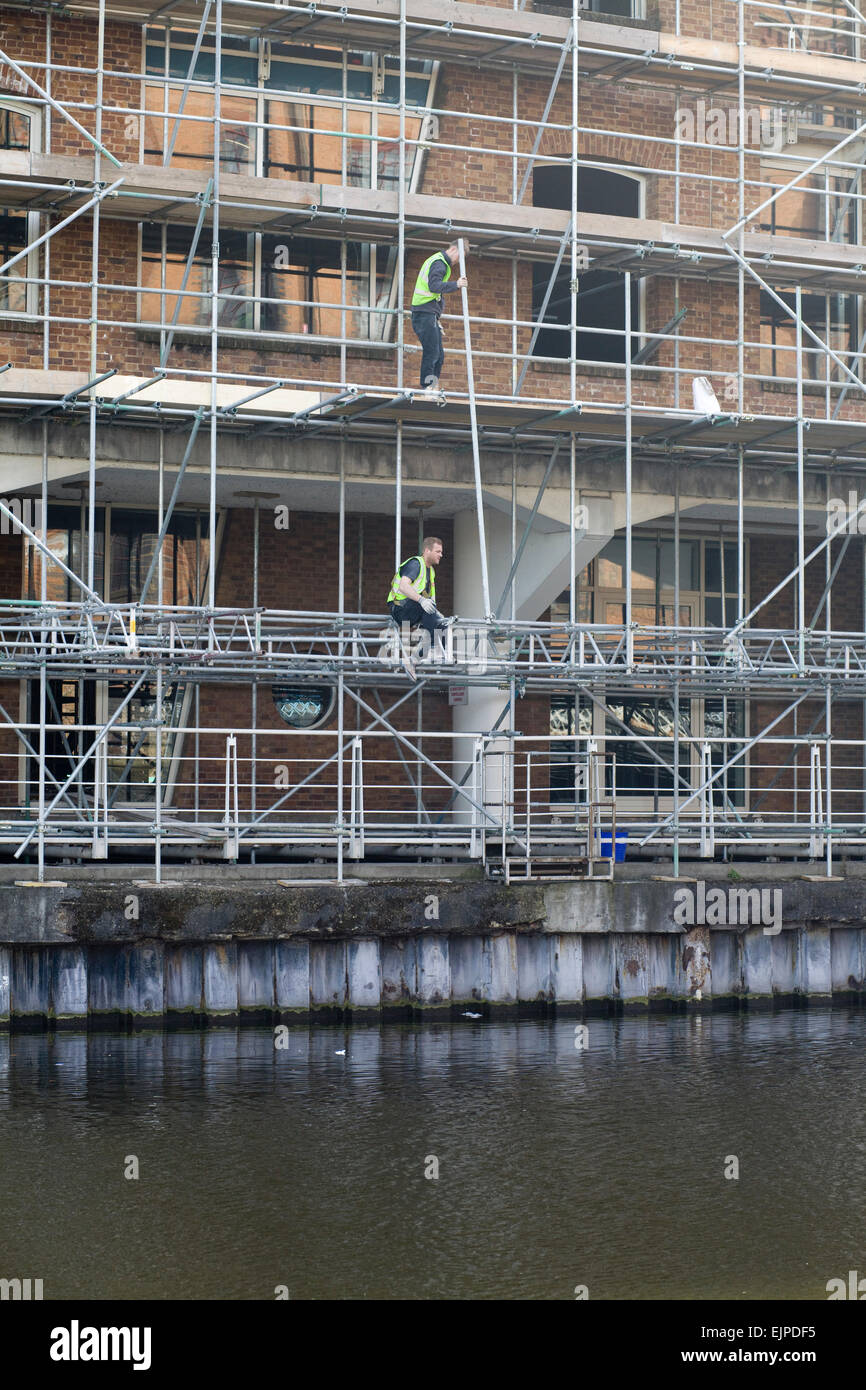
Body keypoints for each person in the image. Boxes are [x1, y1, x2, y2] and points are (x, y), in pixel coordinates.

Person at [410, 243, 468, 393]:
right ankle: (427, 386)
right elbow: (434, 286)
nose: (458, 261)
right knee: (432, 352)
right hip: (424, 313)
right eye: (459, 257)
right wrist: (456, 284)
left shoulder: (439, 262)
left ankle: (432, 386)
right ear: (454, 249)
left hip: (429, 313)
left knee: (439, 355)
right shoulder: (439, 263)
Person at [387, 535, 455, 636]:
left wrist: (437, 614)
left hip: (413, 608)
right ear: (427, 550)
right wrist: (422, 601)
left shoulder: (431, 571)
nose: (441, 555)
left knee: (443, 626)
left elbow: (429, 598)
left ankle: (428, 651)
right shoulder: (416, 564)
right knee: (430, 613)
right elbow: (403, 586)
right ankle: (433, 647)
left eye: (441, 552)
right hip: (399, 608)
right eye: (438, 552)